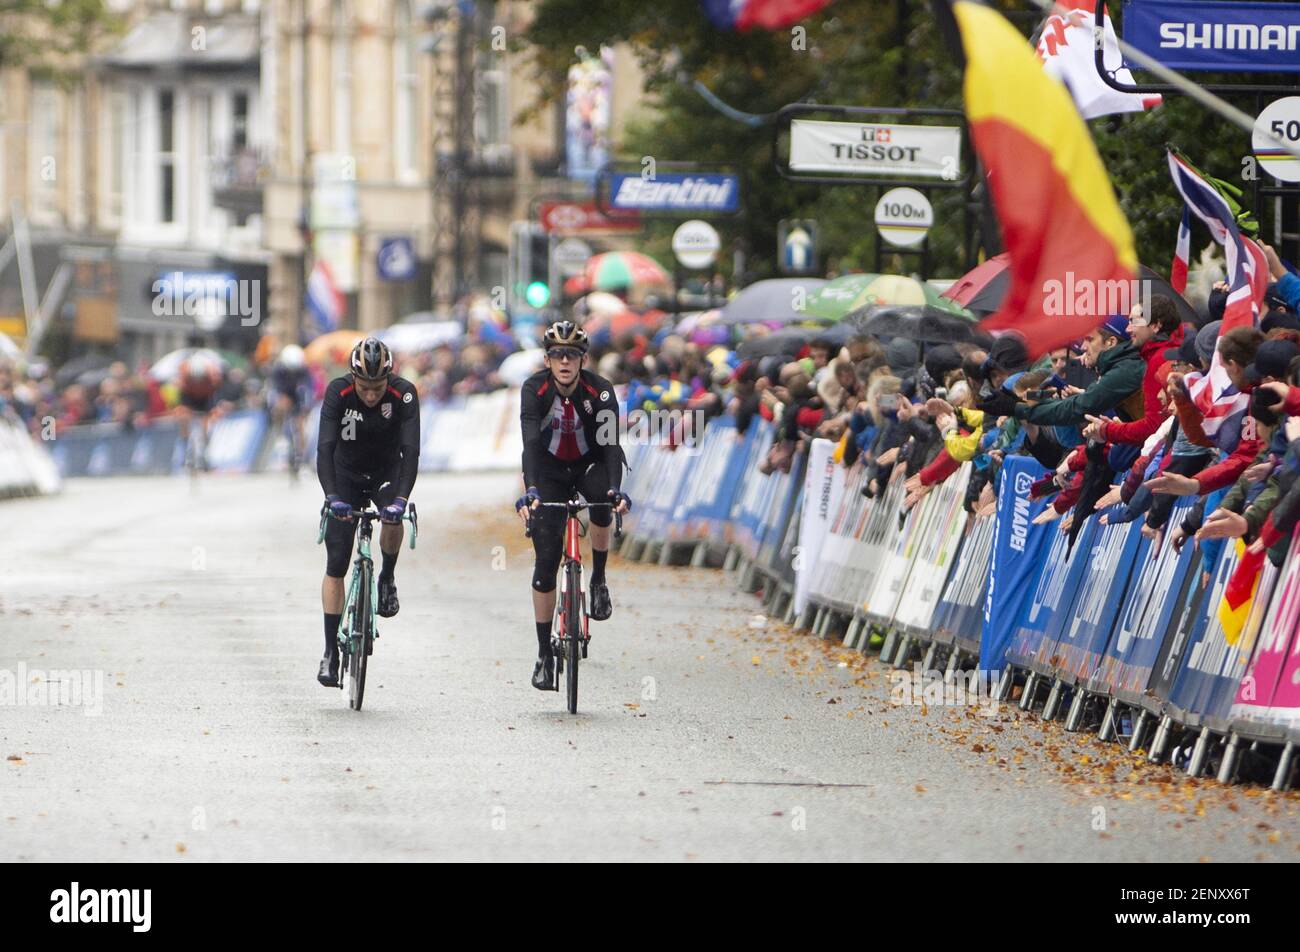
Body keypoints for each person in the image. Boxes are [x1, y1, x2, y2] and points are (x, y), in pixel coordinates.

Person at [515, 320, 630, 692]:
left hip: (590, 463)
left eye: (572, 355)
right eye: (557, 355)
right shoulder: (534, 389)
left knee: (602, 501)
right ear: (547, 360)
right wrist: (531, 490)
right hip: (548, 469)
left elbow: (611, 446)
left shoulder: (601, 391)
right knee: (546, 561)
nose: (564, 362)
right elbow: (530, 445)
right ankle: (543, 654)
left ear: (583, 359)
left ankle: (597, 579)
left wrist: (615, 490)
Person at [315, 337, 420, 687]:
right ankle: (331, 651)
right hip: (345, 476)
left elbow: (411, 452)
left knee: (393, 517)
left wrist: (401, 501)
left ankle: (387, 576)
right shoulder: (338, 393)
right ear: (353, 379)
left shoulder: (404, 395)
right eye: (365, 387)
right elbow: (324, 450)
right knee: (337, 561)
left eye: (378, 387)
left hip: (385, 474)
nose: (371, 395)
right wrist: (332, 497)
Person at [176, 347, 226, 469]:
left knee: (206, 426)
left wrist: (213, 412)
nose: (198, 382)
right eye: (195, 380)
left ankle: (203, 455)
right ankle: (185, 451)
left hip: (205, 398)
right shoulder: (184, 376)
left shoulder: (213, 377)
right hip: (189, 398)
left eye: (200, 379)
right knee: (184, 419)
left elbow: (215, 398)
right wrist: (186, 414)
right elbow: (182, 399)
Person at [268, 344, 314, 475]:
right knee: (280, 407)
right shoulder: (278, 369)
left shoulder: (303, 368)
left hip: (297, 394)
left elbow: (308, 388)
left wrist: (306, 406)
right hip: (284, 392)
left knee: (300, 425)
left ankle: (303, 457)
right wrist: (280, 403)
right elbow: (276, 390)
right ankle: (280, 435)